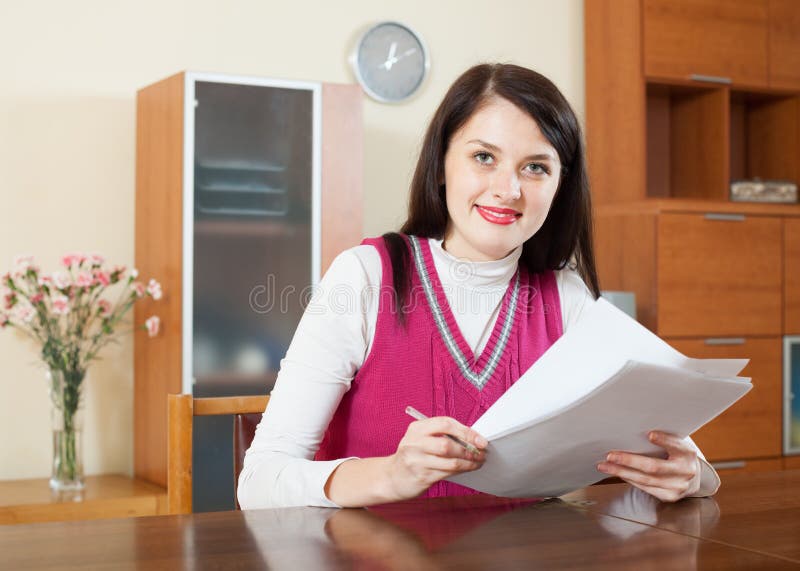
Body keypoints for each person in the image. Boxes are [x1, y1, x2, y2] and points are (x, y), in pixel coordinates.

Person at [237, 63, 720, 509]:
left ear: (559, 185)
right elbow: (258, 482)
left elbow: (694, 463)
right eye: (484, 157)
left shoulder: (567, 297)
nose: (509, 189)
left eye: (536, 167)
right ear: (442, 164)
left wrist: (691, 477)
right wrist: (393, 476)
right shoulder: (365, 276)